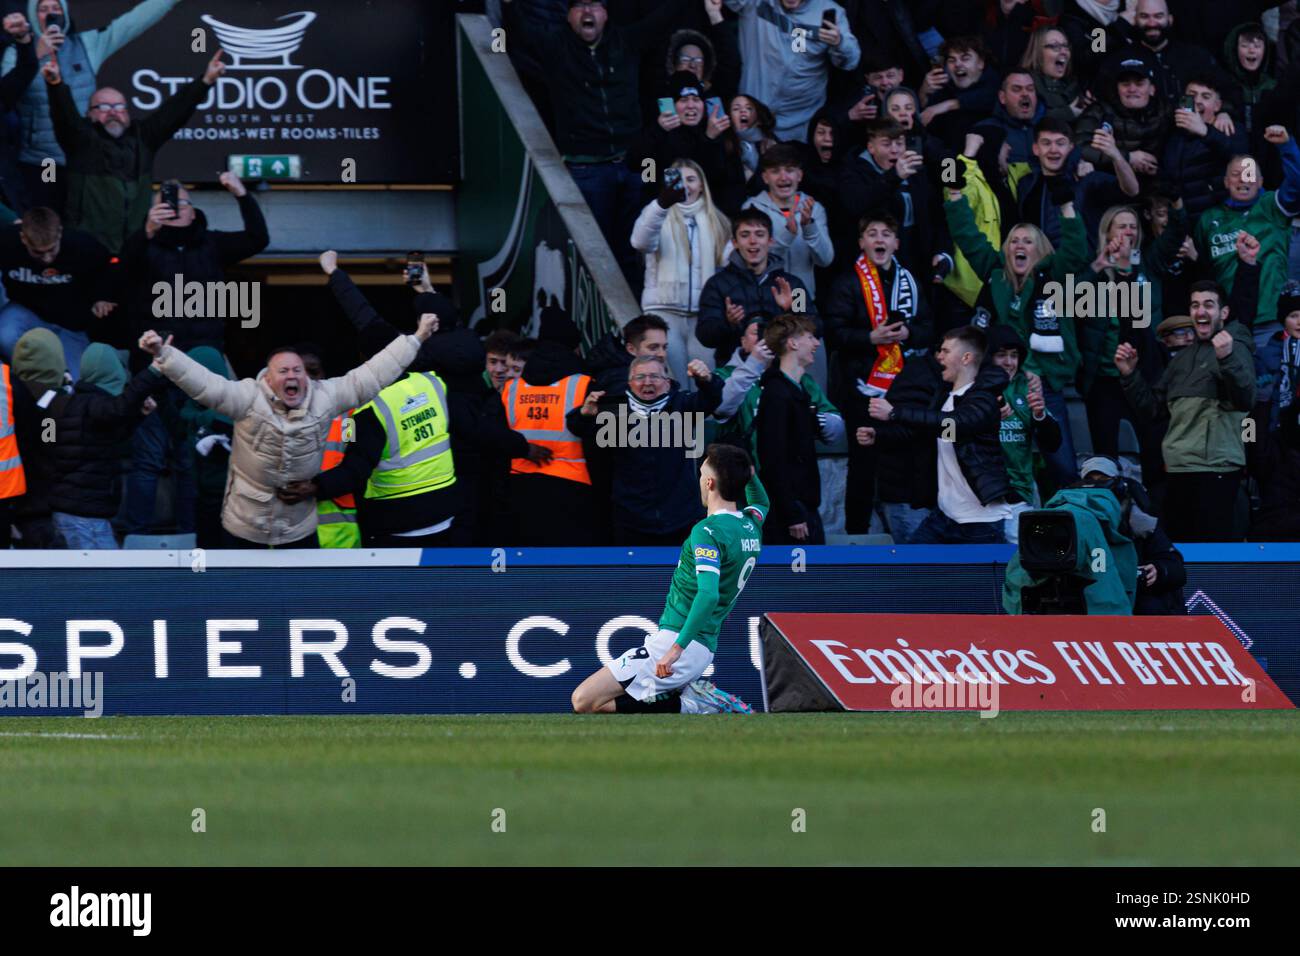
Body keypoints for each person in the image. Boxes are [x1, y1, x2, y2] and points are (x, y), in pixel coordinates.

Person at [137, 316, 436, 548]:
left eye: (304, 372)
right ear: (268, 378)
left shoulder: (336, 405)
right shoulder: (247, 401)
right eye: (285, 372)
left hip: (317, 530)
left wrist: (417, 338)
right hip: (251, 530)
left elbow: (371, 375)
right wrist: (164, 355)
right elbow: (204, 382)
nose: (295, 377)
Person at [500, 0, 691, 287]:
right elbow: (521, 29)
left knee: (633, 247)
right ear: (568, 15)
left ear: (606, 13)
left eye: (595, 5)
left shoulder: (625, 41)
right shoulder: (554, 46)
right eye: (580, 6)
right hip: (586, 168)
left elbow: (662, 18)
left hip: (632, 164)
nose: (588, 12)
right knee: (595, 254)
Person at [570, 442, 765, 714]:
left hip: (678, 643)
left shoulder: (707, 531)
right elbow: (760, 502)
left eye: (700, 475)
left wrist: (675, 649)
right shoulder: (750, 524)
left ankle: (695, 702)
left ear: (709, 483)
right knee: (598, 704)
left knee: (583, 701)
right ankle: (691, 699)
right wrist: (748, 472)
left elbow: (708, 595)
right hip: (703, 647)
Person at [943, 166, 1089, 487]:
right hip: (1000, 385)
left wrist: (1066, 206)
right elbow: (969, 238)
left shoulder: (1055, 274)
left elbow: (1077, 251)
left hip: (1044, 387)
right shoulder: (995, 272)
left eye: (1027, 241)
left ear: (1040, 250)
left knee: (1062, 466)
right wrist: (954, 194)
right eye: (1013, 241)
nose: (1019, 246)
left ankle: (1064, 523)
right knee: (1001, 465)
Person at [0, 0, 182, 213]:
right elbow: (6, 96)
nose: (51, 14)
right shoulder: (18, 52)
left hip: (83, 156)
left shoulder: (85, 44)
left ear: (65, 14)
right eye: (43, 9)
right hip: (44, 159)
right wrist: (35, 53)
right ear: (33, 15)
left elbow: (131, 23)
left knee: (85, 220)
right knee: (47, 213)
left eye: (56, 8)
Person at [43, 46, 227, 255]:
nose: (113, 112)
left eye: (119, 107)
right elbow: (64, 118)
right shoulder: (81, 140)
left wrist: (206, 81)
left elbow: (174, 111)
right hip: (88, 250)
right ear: (90, 114)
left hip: (136, 247)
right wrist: (55, 85)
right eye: (103, 107)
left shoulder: (143, 137)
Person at [1115, 279, 1255, 542]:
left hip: (1217, 469)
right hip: (1179, 470)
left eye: (1208, 305)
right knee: (1182, 553)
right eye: (1195, 305)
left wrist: (1227, 359)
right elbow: (1153, 410)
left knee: (1212, 557)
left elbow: (1246, 398)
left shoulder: (1234, 346)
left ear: (1223, 313)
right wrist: (1130, 375)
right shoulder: (1182, 360)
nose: (1200, 311)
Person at [824, 213, 932, 534]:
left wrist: (908, 335)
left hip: (904, 386)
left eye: (887, 234)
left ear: (896, 243)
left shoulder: (909, 282)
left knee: (905, 453)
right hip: (861, 387)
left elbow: (929, 328)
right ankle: (857, 535)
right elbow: (833, 332)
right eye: (872, 233)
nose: (880, 239)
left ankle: (908, 530)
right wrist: (870, 338)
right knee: (864, 460)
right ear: (862, 243)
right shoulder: (847, 282)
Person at [861, 326, 1014, 544]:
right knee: (913, 571)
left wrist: (894, 412)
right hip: (944, 516)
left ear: (966, 358)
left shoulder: (984, 399)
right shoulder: (945, 397)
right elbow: (933, 428)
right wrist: (880, 434)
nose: (939, 356)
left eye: (946, 351)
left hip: (980, 520)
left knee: (978, 579)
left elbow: (956, 423)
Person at [17, 337, 164, 548]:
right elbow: (119, 408)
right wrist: (153, 371)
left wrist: (138, 416)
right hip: (80, 512)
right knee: (102, 578)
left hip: (67, 508)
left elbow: (102, 439)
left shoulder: (64, 403)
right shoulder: (91, 404)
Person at [568, 354, 722, 545]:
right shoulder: (614, 409)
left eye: (655, 376)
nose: (647, 382)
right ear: (630, 383)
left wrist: (707, 380)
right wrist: (584, 414)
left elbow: (712, 398)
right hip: (630, 519)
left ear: (667, 382)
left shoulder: (683, 405)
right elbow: (576, 427)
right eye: (640, 377)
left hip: (681, 518)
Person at [629, 157, 730, 387]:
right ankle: (675, 425)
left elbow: (730, 264)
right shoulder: (655, 213)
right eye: (679, 180)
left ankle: (701, 425)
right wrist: (662, 204)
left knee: (703, 381)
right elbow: (639, 242)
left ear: (702, 185)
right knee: (671, 382)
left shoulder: (717, 220)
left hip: (702, 316)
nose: (685, 185)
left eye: (691, 179)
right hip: (664, 313)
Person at [1194, 128, 1300, 338]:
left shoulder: (1271, 207)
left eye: (1250, 174)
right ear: (1226, 182)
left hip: (1271, 321)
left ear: (1260, 182)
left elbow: (1297, 184)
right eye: (1236, 174)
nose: (1243, 179)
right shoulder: (1208, 220)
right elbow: (1204, 268)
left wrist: (1287, 146)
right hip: (1229, 325)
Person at [753, 313, 842, 544]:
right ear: (792, 343)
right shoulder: (777, 394)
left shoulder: (796, 391)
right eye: (811, 337)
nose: (816, 344)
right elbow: (773, 459)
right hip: (791, 515)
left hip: (803, 507)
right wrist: (791, 513)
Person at [0, 205, 113, 379]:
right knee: (5, 335)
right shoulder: (7, 242)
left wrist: (103, 297)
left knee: (75, 381)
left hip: (71, 323)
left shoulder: (82, 245)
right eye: (37, 252)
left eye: (51, 250)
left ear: (60, 233)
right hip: (25, 311)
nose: (46, 259)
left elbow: (109, 267)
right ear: (23, 238)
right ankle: (28, 379)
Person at [726, 0, 860, 143]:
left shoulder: (828, 10)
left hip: (800, 123)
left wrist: (839, 43)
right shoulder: (756, 3)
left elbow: (851, 62)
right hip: (754, 118)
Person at [696, 208, 811, 368]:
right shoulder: (717, 284)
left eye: (759, 234)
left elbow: (814, 327)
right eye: (745, 235)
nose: (752, 241)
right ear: (734, 242)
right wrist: (728, 323)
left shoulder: (793, 284)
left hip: (782, 373)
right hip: (733, 372)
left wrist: (792, 311)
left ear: (770, 240)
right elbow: (704, 335)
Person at [1076, 456, 1186, 615]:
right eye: (1090, 480)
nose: (1097, 486)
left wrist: (1159, 570)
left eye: (1104, 480)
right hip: (1090, 596)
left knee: (1151, 607)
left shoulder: (1141, 522)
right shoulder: (1074, 519)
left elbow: (1177, 570)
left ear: (1120, 485)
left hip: (1135, 597)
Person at [987, 325, 1062, 544]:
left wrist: (1040, 416)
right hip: (980, 496)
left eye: (1014, 356)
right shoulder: (972, 388)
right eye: (1001, 355)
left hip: (1020, 492)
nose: (1009, 362)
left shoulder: (1027, 388)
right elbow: (949, 435)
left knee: (1023, 560)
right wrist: (986, 420)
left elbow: (1053, 444)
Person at [742, 143, 833, 301]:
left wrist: (809, 228)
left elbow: (825, 260)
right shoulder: (752, 208)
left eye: (790, 170)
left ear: (800, 175)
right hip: (764, 294)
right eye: (775, 171)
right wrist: (787, 235)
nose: (783, 177)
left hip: (800, 294)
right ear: (765, 177)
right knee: (769, 326)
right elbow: (752, 259)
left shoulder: (814, 208)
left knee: (801, 325)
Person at [1163, 76, 1249, 223]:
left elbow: (1242, 160)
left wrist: (1206, 132)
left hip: (1219, 223)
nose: (1197, 101)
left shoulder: (1229, 128)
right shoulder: (1174, 134)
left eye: (1205, 96)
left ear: (1217, 106)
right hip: (1185, 224)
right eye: (1192, 95)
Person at [917, 36, 1001, 152]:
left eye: (965, 58)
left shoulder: (994, 84)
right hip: (949, 163)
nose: (957, 64)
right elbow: (928, 124)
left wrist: (948, 105)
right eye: (952, 60)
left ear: (981, 63)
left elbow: (987, 97)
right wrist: (923, 93)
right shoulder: (945, 89)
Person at [583, 313, 670, 394]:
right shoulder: (620, 383)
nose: (662, 354)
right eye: (653, 348)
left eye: (664, 347)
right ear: (631, 349)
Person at [1021, 25, 1086, 126]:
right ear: (1037, 51)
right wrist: (1069, 112)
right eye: (1055, 47)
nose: (1064, 51)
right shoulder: (1025, 82)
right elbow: (1028, 120)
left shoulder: (1074, 85)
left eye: (1066, 46)